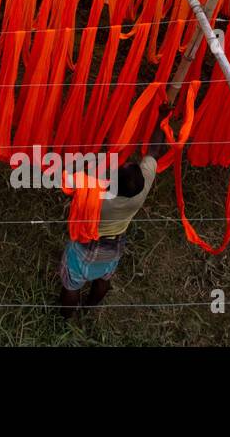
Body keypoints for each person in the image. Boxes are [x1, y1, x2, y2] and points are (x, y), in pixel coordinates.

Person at [57, 106, 173, 319]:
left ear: (113, 181)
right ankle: (89, 308)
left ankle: (65, 318)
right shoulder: (141, 190)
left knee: (71, 284)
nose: (129, 162)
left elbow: (67, 181)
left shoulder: (95, 195)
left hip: (86, 245)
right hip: (115, 245)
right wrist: (162, 119)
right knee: (103, 277)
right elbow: (154, 151)